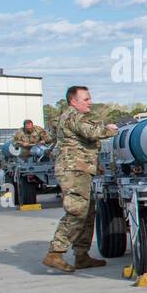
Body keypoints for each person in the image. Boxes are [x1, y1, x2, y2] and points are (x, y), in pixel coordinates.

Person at [43, 86, 117, 273]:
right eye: (86, 99)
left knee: (88, 212)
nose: (89, 102)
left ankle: (81, 256)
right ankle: (55, 253)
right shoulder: (73, 116)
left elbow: (83, 143)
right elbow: (91, 133)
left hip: (81, 168)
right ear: (73, 101)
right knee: (77, 211)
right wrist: (109, 130)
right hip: (73, 170)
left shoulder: (69, 117)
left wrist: (96, 162)